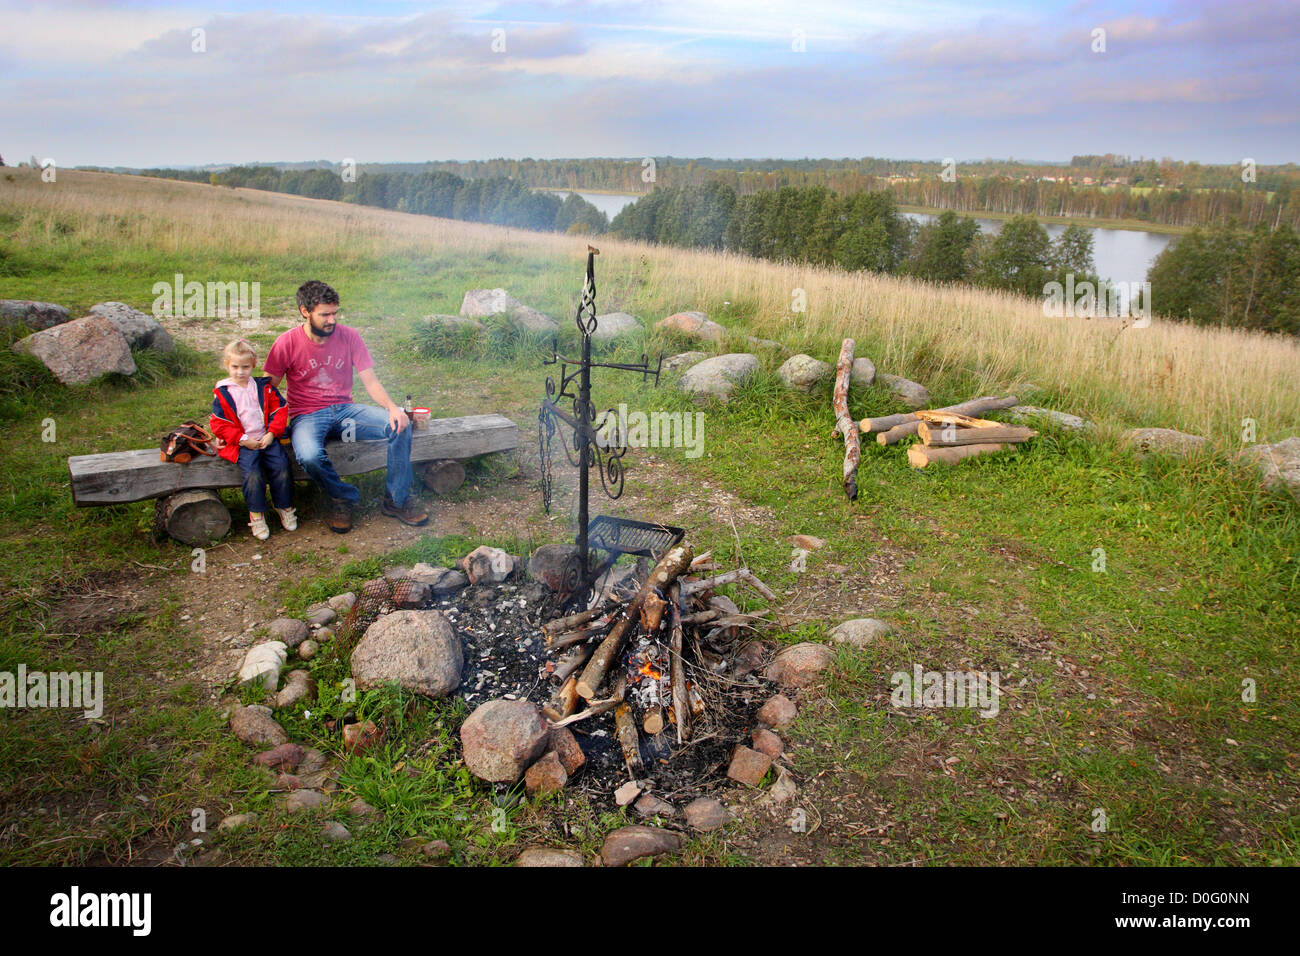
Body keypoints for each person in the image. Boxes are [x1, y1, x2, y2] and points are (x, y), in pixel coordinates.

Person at [263, 280, 428, 533]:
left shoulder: (349, 336)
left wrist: (393, 408)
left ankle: (396, 500)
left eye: (335, 313)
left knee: (398, 426)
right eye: (324, 314)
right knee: (308, 455)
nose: (332, 320)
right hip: (306, 416)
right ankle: (343, 497)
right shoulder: (286, 343)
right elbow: (268, 390)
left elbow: (370, 381)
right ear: (304, 312)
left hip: (345, 412)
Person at [209, 339, 297, 541]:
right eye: (235, 367)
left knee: (282, 465)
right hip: (244, 443)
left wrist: (272, 433)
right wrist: (241, 439)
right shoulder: (223, 392)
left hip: (265, 438)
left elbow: (280, 410)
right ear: (227, 365)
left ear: (254, 364)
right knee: (252, 474)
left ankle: (283, 505)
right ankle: (256, 513)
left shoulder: (263, 387)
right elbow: (219, 423)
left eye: (245, 367)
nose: (240, 372)